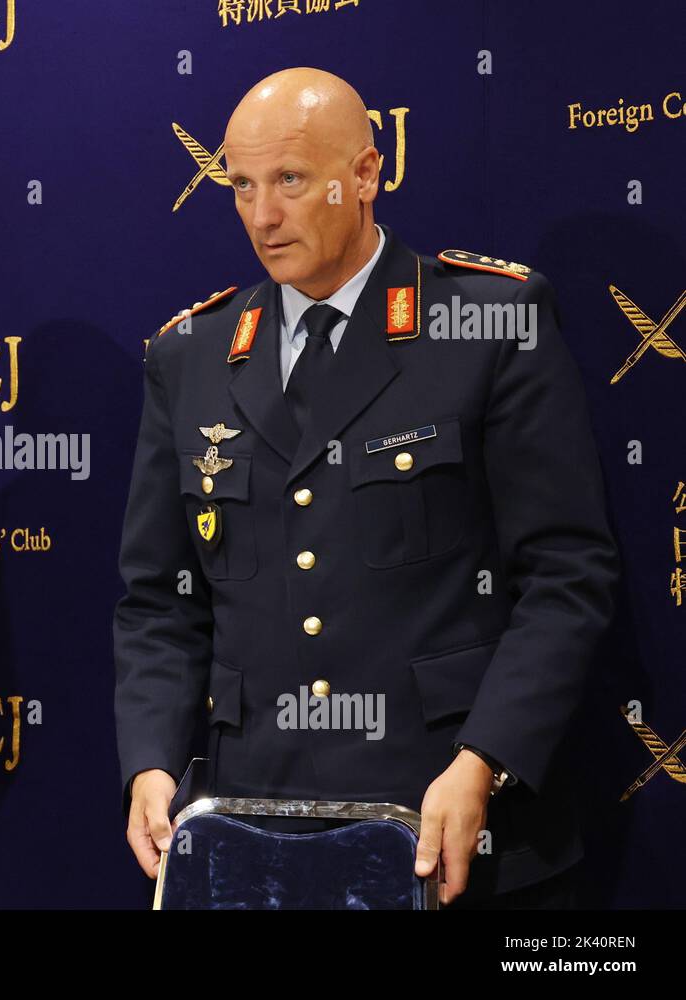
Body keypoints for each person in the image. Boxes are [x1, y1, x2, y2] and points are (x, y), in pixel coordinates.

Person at [113, 69, 618, 907]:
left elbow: (567, 576)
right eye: (240, 186)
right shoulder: (189, 356)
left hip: (446, 819)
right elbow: (159, 602)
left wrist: (484, 762)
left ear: (367, 174)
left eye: (290, 181)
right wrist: (151, 762)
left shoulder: (488, 322)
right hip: (254, 833)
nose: (262, 216)